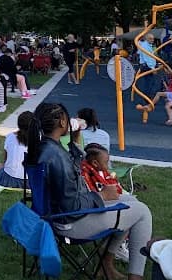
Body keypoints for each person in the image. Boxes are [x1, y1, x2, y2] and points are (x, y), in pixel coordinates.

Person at [26, 102, 152, 280]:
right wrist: (101, 195)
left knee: (131, 202)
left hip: (52, 217)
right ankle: (134, 277)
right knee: (142, 212)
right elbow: (72, 206)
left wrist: (75, 138)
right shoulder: (56, 156)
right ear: (62, 122)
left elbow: (71, 175)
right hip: (71, 223)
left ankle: (106, 264)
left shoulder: (44, 148)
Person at [0, 111, 34, 188]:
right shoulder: (39, 139)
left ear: (19, 124)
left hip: (8, 180)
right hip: (30, 182)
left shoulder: (10, 136)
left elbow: (6, 161)